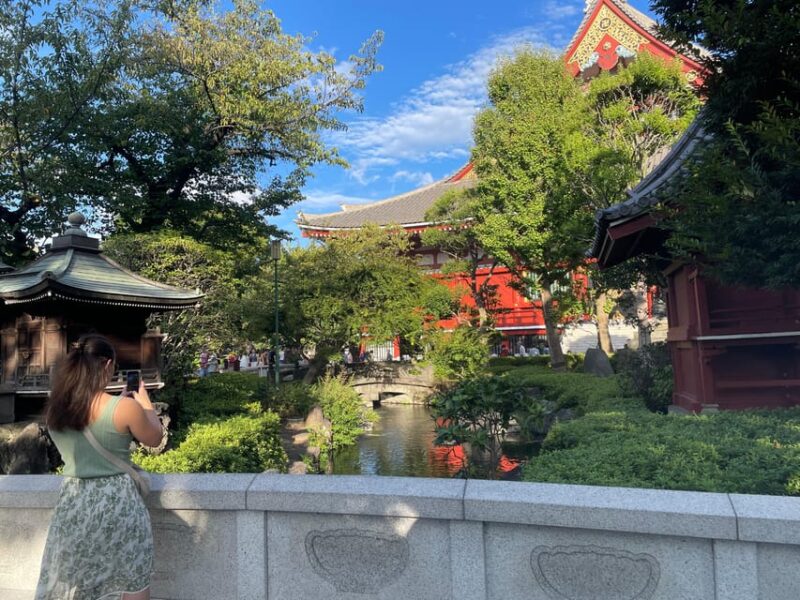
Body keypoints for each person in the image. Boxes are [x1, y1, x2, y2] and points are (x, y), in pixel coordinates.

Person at [35, 334, 163, 600]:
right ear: (107, 366)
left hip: (74, 503)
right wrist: (144, 403)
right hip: (118, 505)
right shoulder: (125, 407)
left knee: (77, 584)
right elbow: (154, 437)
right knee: (131, 580)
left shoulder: (55, 411)